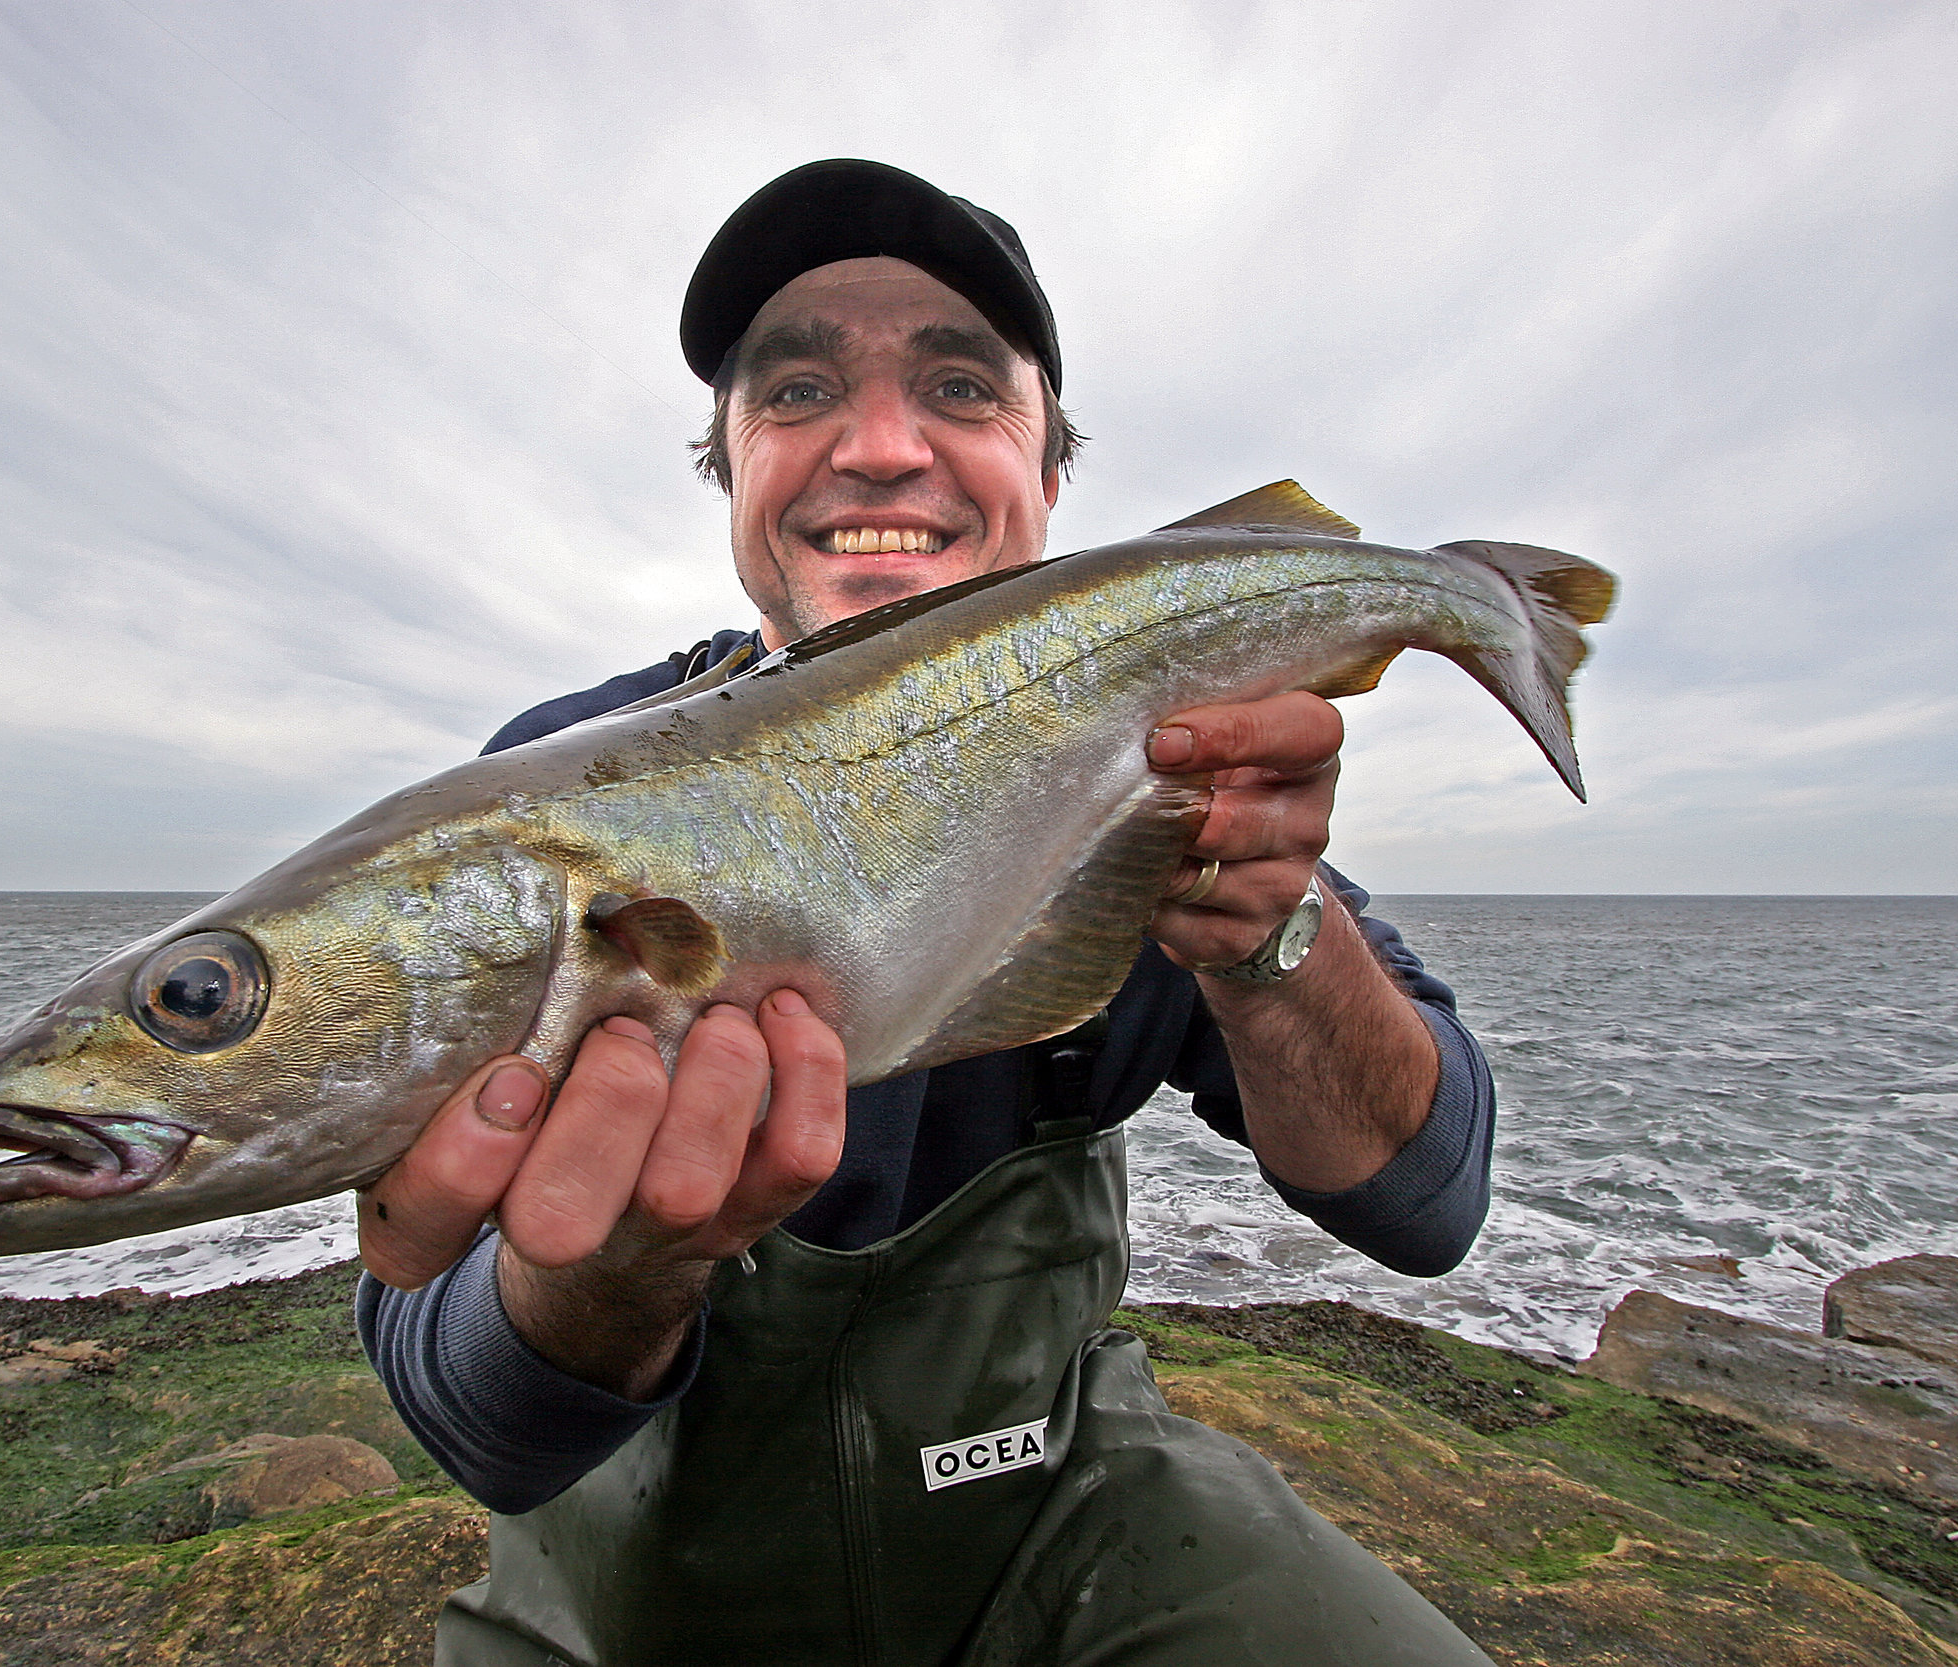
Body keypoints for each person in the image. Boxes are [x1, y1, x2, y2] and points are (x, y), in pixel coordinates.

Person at [355, 159, 1499, 1665]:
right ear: (731, 470)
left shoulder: (1163, 783)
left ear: (1049, 467)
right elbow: (471, 1424)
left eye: (962, 387)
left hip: (1060, 1519)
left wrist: (1274, 939)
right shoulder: (544, 801)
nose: (882, 448)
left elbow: (1426, 1204)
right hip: (632, 1589)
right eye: (797, 389)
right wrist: (624, 1261)